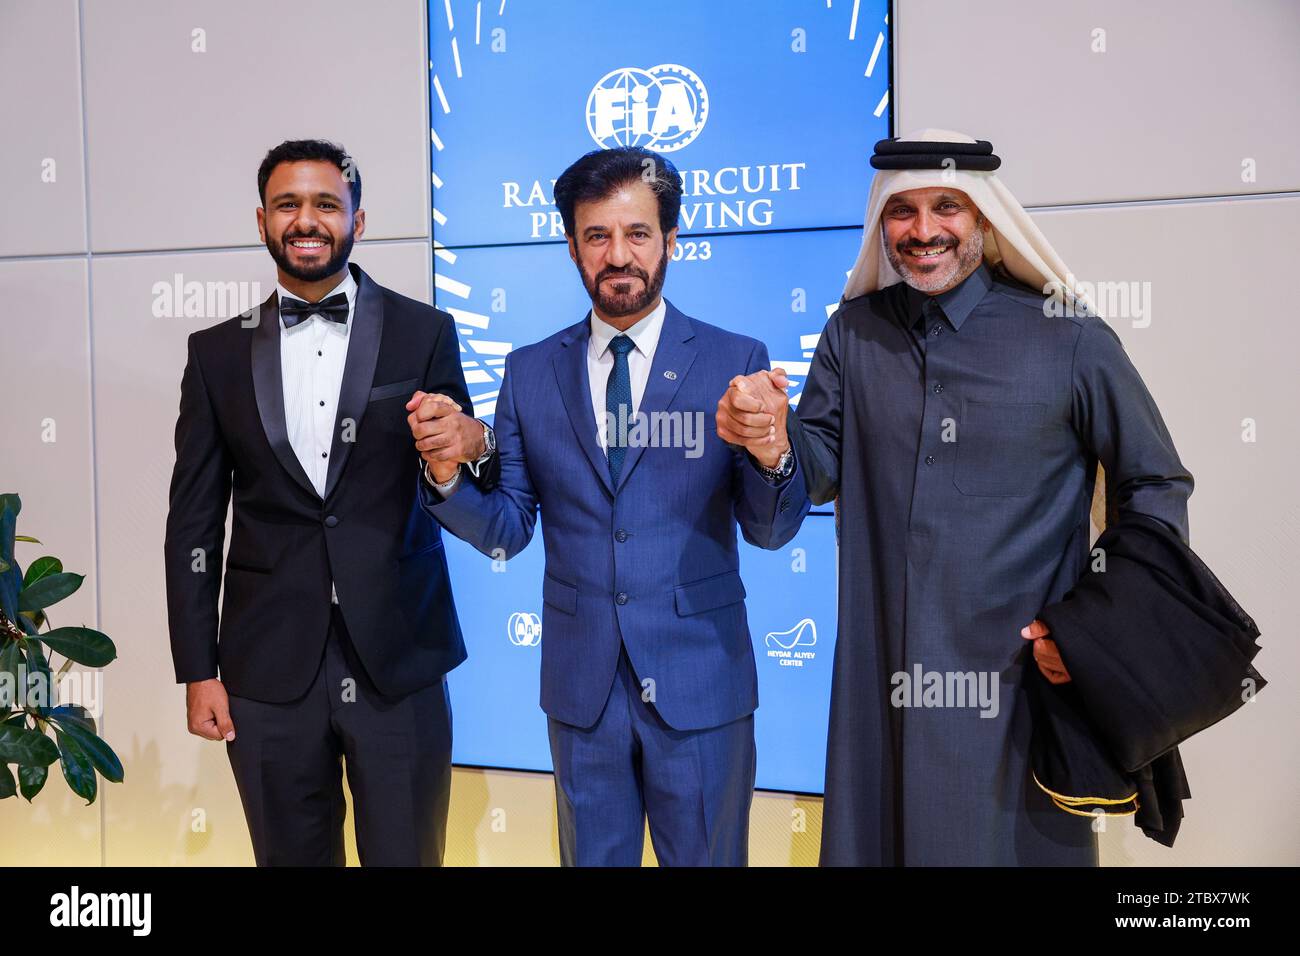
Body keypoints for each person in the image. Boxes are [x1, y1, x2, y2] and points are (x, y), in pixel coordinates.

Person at [716, 129, 1193, 865]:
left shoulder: (1067, 336)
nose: (923, 230)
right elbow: (809, 473)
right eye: (901, 211)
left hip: (1020, 687)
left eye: (946, 207)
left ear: (983, 220)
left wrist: (1095, 633)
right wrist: (768, 435)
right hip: (882, 682)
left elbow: (1155, 482)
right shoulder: (853, 335)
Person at [407, 146, 810, 866]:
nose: (618, 255)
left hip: (701, 682)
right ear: (571, 247)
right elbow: (509, 530)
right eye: (597, 236)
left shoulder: (734, 359)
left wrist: (774, 452)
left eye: (637, 234)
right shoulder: (530, 369)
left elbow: (770, 531)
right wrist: (446, 477)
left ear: (670, 242)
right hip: (581, 686)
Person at [164, 139, 496, 866]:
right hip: (264, 669)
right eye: (288, 204)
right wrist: (197, 669)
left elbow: (471, 478)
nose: (306, 219)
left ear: (358, 219)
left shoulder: (424, 331)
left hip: (399, 655)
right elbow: (192, 520)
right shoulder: (215, 353)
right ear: (261, 221)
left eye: (325, 204)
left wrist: (474, 443)